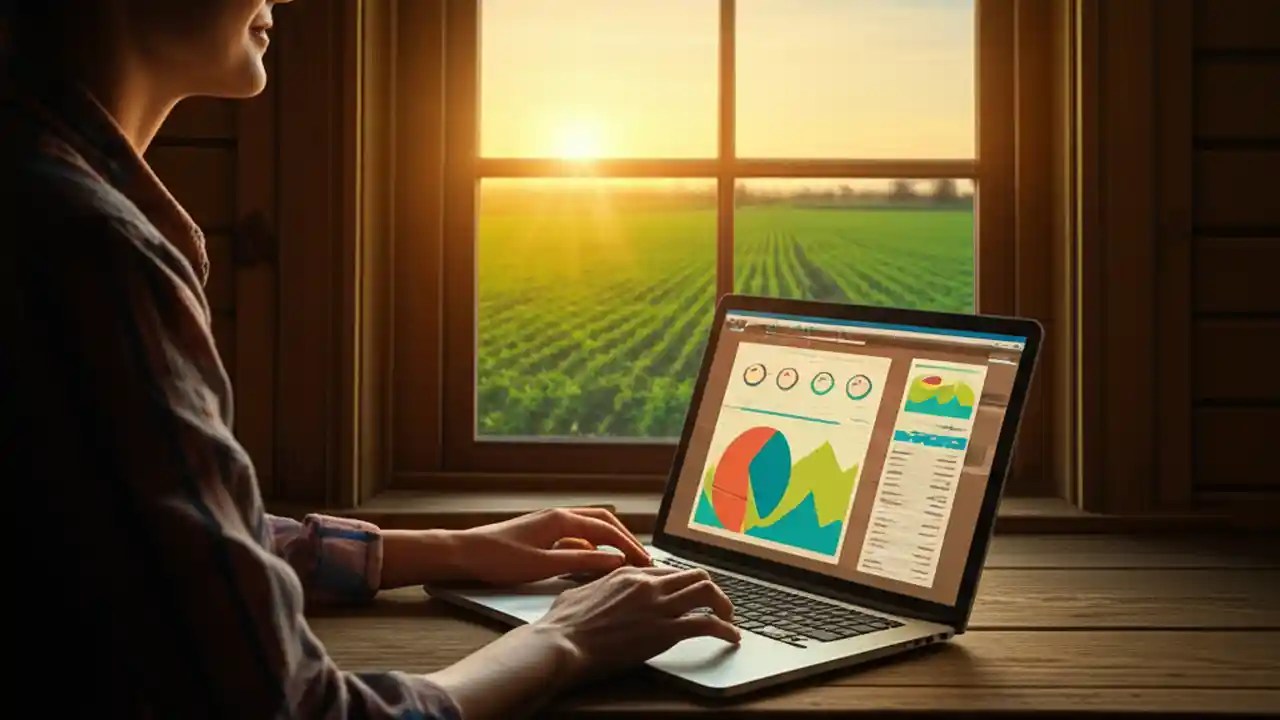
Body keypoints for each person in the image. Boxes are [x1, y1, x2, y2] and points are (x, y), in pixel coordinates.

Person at [0, 1, 740, 718]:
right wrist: (567, 639)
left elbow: (164, 548)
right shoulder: (85, 249)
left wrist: (454, 548)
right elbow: (293, 709)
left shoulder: (44, 192)